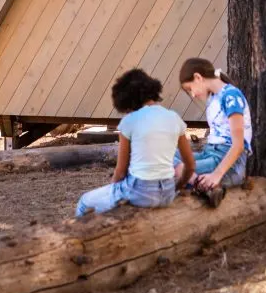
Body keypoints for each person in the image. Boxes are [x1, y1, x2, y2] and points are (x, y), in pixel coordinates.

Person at [75, 68, 195, 217]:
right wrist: (179, 185)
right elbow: (190, 165)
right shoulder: (174, 117)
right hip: (168, 192)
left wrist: (114, 190)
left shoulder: (129, 121)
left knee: (84, 202)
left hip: (140, 191)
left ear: (128, 100)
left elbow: (120, 172)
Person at [177, 57, 251, 198]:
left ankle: (203, 183)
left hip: (227, 164)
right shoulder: (214, 98)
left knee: (173, 170)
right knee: (168, 156)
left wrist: (216, 175)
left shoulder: (230, 96)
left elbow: (238, 145)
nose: (193, 94)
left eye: (190, 88)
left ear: (198, 77)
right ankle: (200, 184)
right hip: (210, 154)